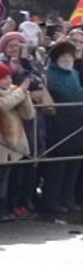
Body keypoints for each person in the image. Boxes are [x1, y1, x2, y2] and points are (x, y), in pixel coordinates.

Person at [42, 41, 83, 214]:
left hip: (77, 123)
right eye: (64, 55)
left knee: (73, 165)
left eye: (70, 55)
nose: (68, 58)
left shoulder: (75, 73)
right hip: (58, 125)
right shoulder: (48, 74)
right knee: (57, 167)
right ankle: (52, 200)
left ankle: (68, 197)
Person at [0, 63, 34, 222]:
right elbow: (3, 105)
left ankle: (8, 207)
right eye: (4, 78)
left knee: (9, 180)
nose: (9, 81)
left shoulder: (14, 93)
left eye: (9, 77)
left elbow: (29, 115)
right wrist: (21, 91)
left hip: (15, 145)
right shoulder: (15, 94)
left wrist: (25, 96)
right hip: (2, 144)